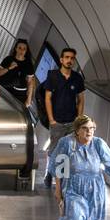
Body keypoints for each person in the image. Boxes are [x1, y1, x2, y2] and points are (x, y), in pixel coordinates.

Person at [41, 47, 86, 188]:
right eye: (66, 57)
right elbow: (47, 98)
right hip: (57, 121)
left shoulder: (77, 78)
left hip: (72, 121)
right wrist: (51, 120)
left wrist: (78, 121)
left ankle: (63, 180)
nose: (69, 60)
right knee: (54, 150)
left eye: (72, 58)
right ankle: (49, 174)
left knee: (68, 151)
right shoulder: (53, 76)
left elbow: (81, 100)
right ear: (61, 60)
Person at [0, 38, 36, 114]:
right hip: (5, 90)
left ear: (26, 51)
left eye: (24, 49)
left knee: (14, 113)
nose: (21, 51)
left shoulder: (28, 64)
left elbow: (30, 82)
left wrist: (29, 99)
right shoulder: (8, 59)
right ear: (16, 49)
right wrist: (9, 68)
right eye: (20, 48)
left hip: (19, 95)